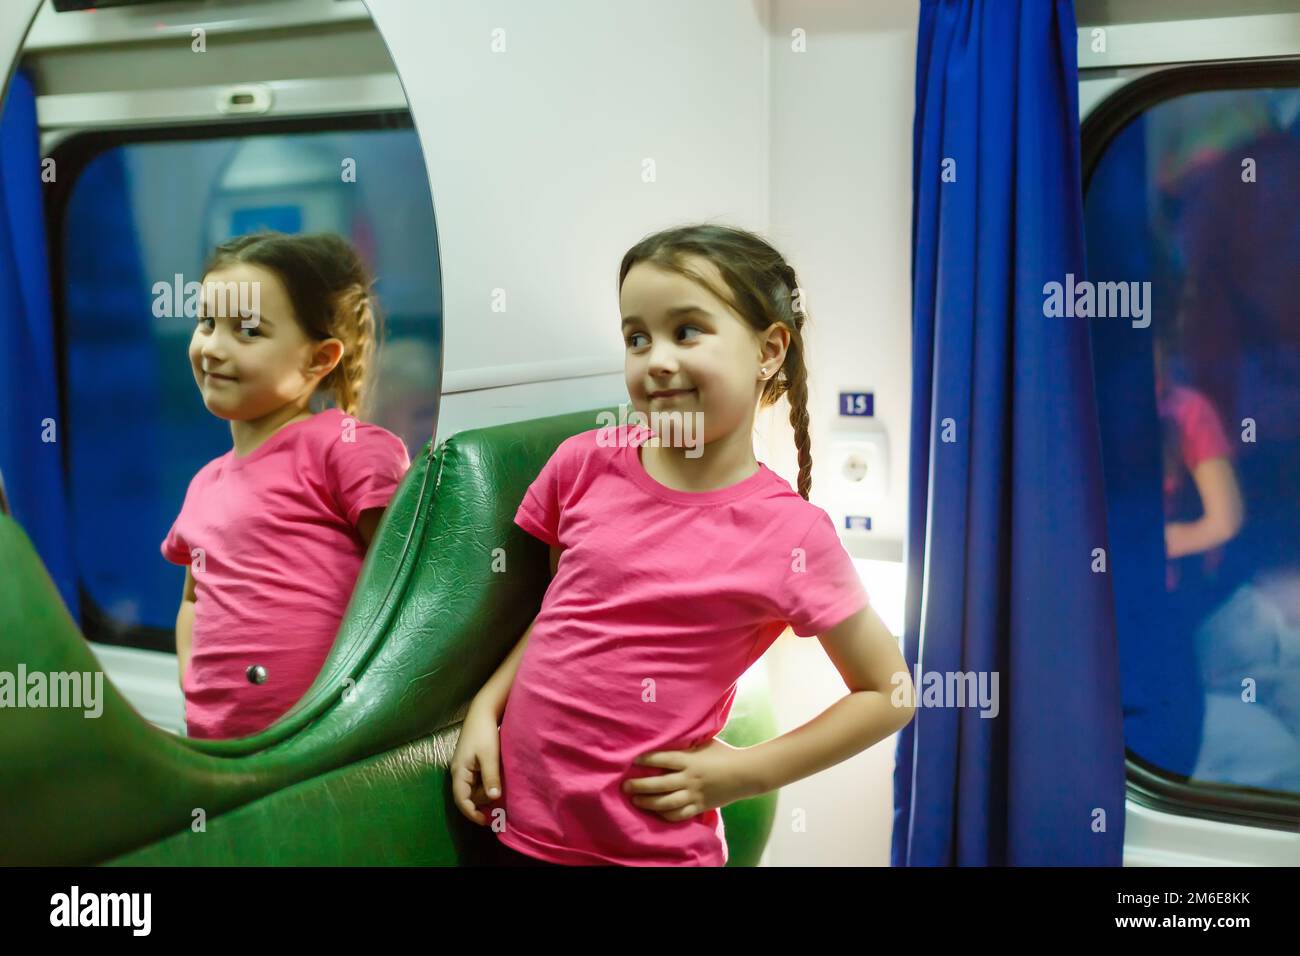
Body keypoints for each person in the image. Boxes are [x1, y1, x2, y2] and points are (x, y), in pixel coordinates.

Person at [450, 223, 915, 866]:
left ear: (768, 351)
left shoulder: (792, 535)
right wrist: (486, 707)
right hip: (520, 834)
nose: (656, 360)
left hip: (653, 852)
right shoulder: (582, 465)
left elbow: (889, 694)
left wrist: (744, 773)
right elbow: (564, 611)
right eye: (636, 338)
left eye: (687, 330)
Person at [160, 232, 410, 740]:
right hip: (220, 744)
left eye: (248, 330)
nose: (213, 348)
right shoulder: (204, 484)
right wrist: (192, 677)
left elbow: (408, 585)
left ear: (318, 359)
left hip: (323, 740)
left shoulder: (345, 450)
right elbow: (193, 599)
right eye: (207, 323)